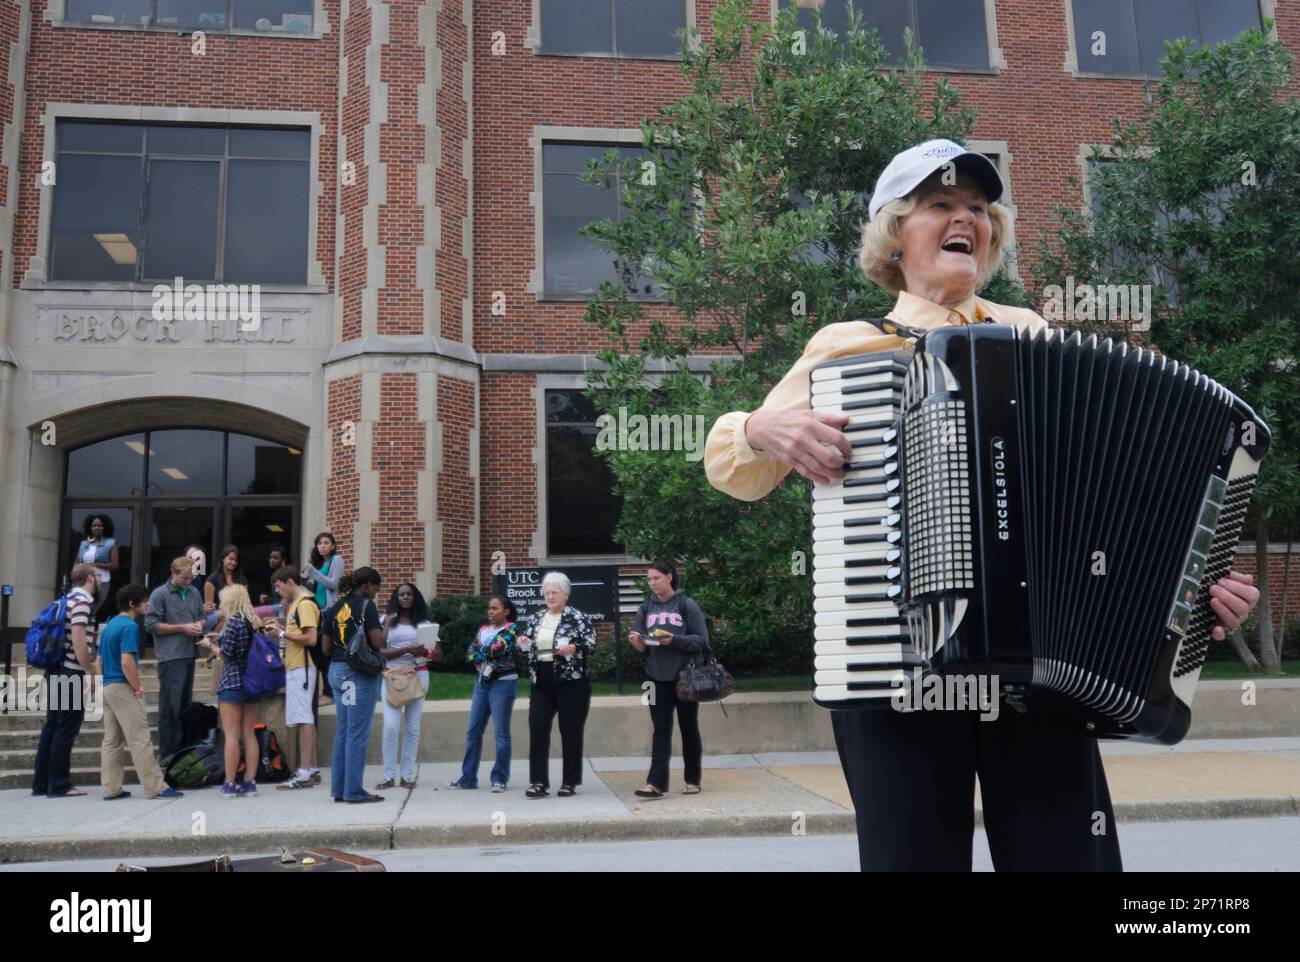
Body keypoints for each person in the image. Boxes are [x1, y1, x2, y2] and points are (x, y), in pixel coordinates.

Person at [702, 138, 1263, 871]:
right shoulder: (846, 348)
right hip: (895, 668)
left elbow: (1118, 500)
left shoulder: (1034, 336)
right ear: (894, 235)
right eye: (940, 205)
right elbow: (729, 467)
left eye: (979, 209)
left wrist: (1193, 585)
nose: (968, 218)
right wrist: (756, 425)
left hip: (1040, 678)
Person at [629, 562, 708, 798]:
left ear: (669, 577)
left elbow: (701, 640)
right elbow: (641, 643)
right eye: (649, 579)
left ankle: (692, 780)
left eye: (656, 578)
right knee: (660, 730)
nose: (652, 583)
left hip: (685, 676)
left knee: (688, 728)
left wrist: (673, 640)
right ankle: (655, 784)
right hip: (656, 677)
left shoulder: (686, 604)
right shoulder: (645, 608)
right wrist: (637, 642)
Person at [97, 584, 183, 800]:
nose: (148, 603)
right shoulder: (129, 627)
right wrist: (137, 687)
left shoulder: (109, 625)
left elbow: (98, 661)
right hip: (121, 686)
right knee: (140, 738)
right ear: (131, 604)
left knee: (112, 740)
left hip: (107, 686)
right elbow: (127, 662)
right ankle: (156, 787)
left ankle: (111, 788)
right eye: (144, 600)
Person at [515, 572, 597, 798]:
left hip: (572, 681)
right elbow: (528, 644)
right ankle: (538, 782)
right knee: (538, 728)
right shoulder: (536, 618)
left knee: (570, 730)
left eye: (554, 593)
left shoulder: (577, 617)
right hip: (542, 677)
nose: (550, 597)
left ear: (566, 595)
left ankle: (569, 782)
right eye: (547, 593)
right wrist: (523, 642)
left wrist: (574, 648)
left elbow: (591, 644)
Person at [31, 563, 98, 798]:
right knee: (66, 728)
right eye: (97, 576)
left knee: (53, 725)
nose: (99, 580)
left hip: (57, 669)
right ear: (90, 577)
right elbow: (79, 640)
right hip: (71, 671)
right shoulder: (83, 602)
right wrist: (89, 669)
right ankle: (59, 784)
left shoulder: (66, 599)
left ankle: (41, 783)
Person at [320, 567, 386, 804]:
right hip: (357, 674)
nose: (375, 593)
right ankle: (354, 791)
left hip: (337, 672)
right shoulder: (366, 606)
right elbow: (377, 641)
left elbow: (326, 648)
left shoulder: (334, 607)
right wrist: (385, 625)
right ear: (367, 584)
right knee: (357, 733)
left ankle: (339, 789)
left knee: (344, 731)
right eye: (375, 588)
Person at [450, 595, 522, 792]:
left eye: (495, 608)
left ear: (506, 611)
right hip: (482, 683)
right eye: (489, 608)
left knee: (501, 733)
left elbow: (497, 649)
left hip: (503, 684)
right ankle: (468, 778)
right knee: (473, 732)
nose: (490, 612)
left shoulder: (512, 629)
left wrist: (480, 652)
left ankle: (499, 778)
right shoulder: (483, 630)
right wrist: (482, 652)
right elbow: (469, 653)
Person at [144, 556, 207, 762]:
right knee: (169, 707)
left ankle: (182, 751)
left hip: (189, 653)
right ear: (173, 573)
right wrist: (181, 627)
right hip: (170, 657)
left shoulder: (194, 592)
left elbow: (201, 615)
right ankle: (167, 753)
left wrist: (200, 624)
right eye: (184, 578)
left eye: (190, 578)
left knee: (184, 707)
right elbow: (151, 624)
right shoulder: (159, 594)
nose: (188, 582)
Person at [377, 582, 438, 790]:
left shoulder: (424, 624)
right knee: (391, 727)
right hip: (392, 676)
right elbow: (379, 649)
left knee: (412, 728)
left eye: (409, 594)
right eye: (401, 594)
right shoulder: (385, 621)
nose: (405, 597)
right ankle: (388, 776)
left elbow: (436, 653)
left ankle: (407, 776)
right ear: (396, 597)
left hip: (418, 675)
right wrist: (404, 648)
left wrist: (423, 653)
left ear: (415, 598)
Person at [267, 566, 322, 790]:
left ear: (289, 582)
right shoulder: (299, 604)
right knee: (305, 717)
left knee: (304, 719)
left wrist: (281, 633)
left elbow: (311, 638)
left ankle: (305, 772)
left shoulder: (305, 604)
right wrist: (281, 631)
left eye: (279, 586)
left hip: (303, 668)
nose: (278, 591)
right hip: (299, 666)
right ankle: (313, 768)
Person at [214, 585, 264, 798]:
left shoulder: (233, 622)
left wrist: (210, 646)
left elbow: (227, 654)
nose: (220, 605)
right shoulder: (254, 622)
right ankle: (250, 781)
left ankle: (230, 783)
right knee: (249, 734)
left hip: (233, 681)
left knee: (232, 736)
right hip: (253, 683)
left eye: (222, 601)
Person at [303, 532, 344, 705]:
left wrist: (313, 573)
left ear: (333, 545)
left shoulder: (337, 560)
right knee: (317, 652)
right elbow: (316, 587)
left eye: (326, 543)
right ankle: (327, 691)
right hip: (316, 611)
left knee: (325, 652)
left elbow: (335, 585)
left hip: (329, 612)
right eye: (319, 543)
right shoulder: (319, 563)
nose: (322, 546)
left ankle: (329, 693)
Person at [76, 514, 119, 620]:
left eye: (100, 525)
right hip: (84, 581)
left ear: (105, 527)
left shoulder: (111, 544)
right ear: (89, 528)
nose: (97, 528)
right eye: (94, 526)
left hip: (102, 581)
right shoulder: (84, 544)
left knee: (93, 608)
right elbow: (77, 564)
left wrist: (94, 564)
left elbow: (114, 565)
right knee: (82, 607)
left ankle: (89, 629)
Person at [204, 544, 248, 612]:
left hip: (239, 616)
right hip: (219, 617)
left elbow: (246, 604)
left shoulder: (242, 579)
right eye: (231, 559)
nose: (233, 562)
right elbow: (209, 609)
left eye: (236, 560)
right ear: (223, 558)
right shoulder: (211, 580)